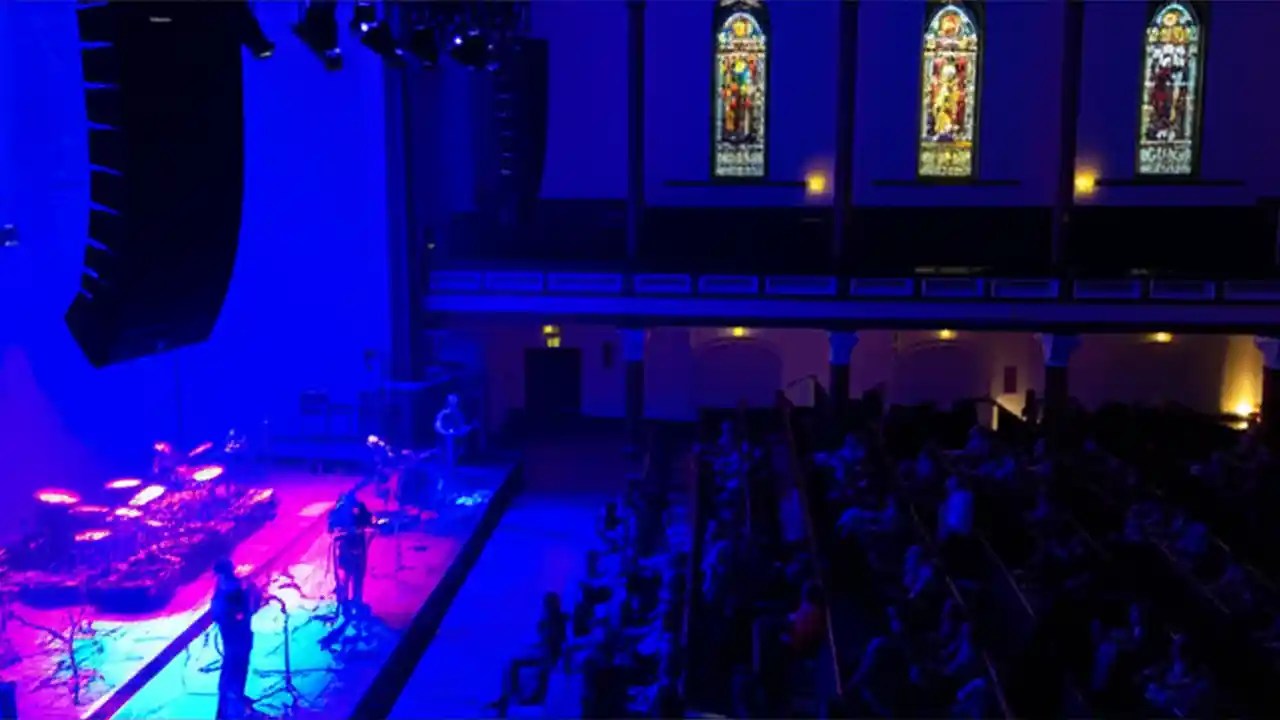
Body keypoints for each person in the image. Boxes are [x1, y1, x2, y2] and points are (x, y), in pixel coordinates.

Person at [490, 592, 569, 716]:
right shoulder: (549, 621)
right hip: (544, 655)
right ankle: (508, 696)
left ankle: (514, 696)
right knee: (511, 663)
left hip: (548, 658)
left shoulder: (558, 622)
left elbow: (556, 642)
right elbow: (545, 640)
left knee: (513, 664)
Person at [211, 558, 256, 719]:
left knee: (232, 670)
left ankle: (230, 707)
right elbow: (245, 610)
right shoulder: (232, 589)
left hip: (234, 637)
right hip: (237, 637)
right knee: (235, 670)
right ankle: (233, 709)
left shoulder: (223, 588)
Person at [328, 491, 374, 610]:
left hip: (357, 546)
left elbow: (370, 520)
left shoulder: (359, 508)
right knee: (348, 573)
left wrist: (371, 525)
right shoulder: (340, 510)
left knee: (356, 574)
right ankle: (346, 599)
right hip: (347, 546)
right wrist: (339, 531)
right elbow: (331, 526)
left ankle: (354, 600)